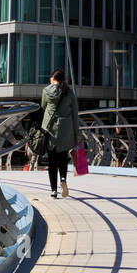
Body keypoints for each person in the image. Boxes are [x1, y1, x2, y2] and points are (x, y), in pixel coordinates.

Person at [40, 70, 83, 198]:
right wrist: (76, 133)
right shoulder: (69, 92)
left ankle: (53, 190)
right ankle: (63, 179)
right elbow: (75, 114)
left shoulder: (46, 91)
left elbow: (43, 106)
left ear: (53, 78)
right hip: (66, 129)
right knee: (63, 157)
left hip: (51, 128)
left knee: (52, 160)